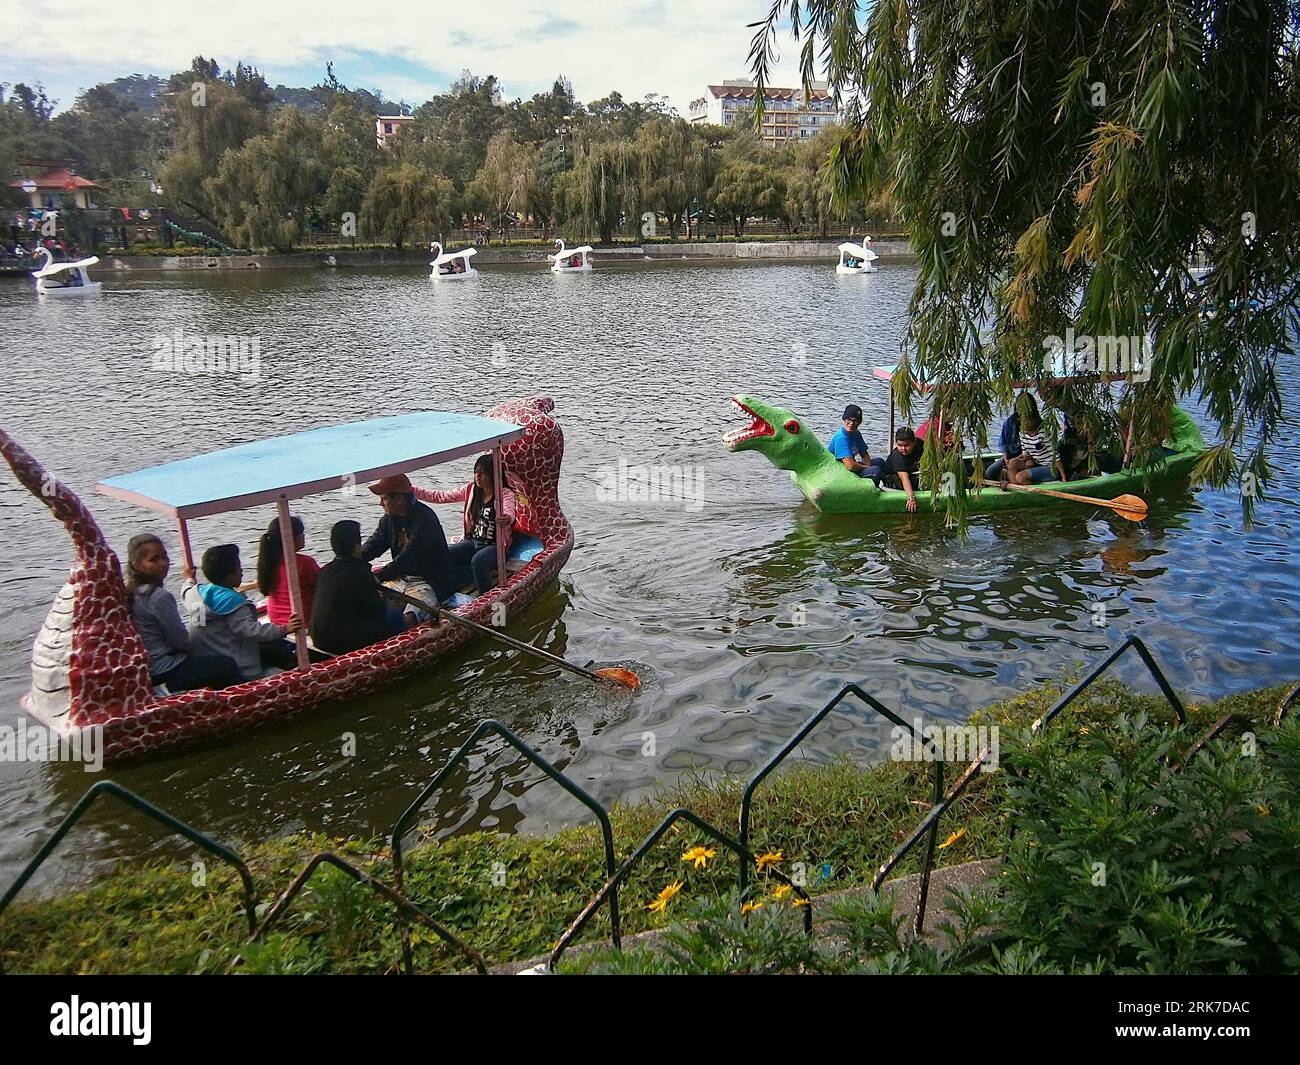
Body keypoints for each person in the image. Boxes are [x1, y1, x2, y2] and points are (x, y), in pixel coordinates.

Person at [124, 534, 240, 692]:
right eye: (154, 560)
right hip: (164, 668)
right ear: (135, 565)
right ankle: (170, 690)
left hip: (147, 666)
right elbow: (179, 641)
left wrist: (189, 579)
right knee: (228, 664)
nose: (163, 563)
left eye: (164, 557)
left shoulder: (131, 591)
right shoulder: (158, 596)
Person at [184, 544, 302, 681]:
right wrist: (285, 628)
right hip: (236, 663)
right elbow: (251, 631)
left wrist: (189, 578)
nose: (241, 572)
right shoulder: (233, 602)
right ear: (228, 575)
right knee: (277, 653)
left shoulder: (194, 594)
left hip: (207, 653)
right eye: (238, 568)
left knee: (273, 649)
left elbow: (186, 588)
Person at [415, 454, 517, 594]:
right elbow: (441, 496)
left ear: (493, 474)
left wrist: (506, 518)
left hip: (495, 547)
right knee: (443, 556)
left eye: (482, 473)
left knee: (478, 561)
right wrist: (412, 491)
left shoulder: (504, 494)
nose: (478, 477)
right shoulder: (470, 490)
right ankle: (449, 587)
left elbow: (509, 510)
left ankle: (485, 596)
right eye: (476, 472)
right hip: (473, 542)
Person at [360, 473, 456, 612]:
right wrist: (353, 559)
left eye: (384, 499)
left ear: (399, 499)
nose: (381, 504)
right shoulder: (388, 519)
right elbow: (374, 545)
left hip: (430, 580)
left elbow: (410, 556)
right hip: (402, 576)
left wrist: (379, 577)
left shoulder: (424, 518)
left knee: (411, 617)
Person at [310, 521, 408, 654]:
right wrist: (389, 602)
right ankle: (400, 653)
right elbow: (378, 610)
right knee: (395, 615)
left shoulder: (325, 571)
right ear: (356, 547)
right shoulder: (360, 573)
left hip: (319, 637)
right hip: (342, 640)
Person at [256, 515, 319, 628]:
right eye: (301, 533)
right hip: (302, 621)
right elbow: (322, 588)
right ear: (291, 538)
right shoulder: (305, 563)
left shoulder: (268, 562)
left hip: (275, 617)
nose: (304, 536)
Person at [866, 427, 924, 510]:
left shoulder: (919, 443)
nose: (903, 449)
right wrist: (911, 498)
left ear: (914, 442)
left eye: (907, 445)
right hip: (891, 477)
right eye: (900, 445)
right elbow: (904, 477)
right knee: (914, 482)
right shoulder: (897, 456)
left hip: (910, 470)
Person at [986, 394, 1035, 480]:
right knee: (990, 472)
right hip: (1010, 456)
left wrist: (1014, 460)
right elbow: (1004, 444)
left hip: (1027, 457)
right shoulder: (1010, 422)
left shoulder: (1033, 422)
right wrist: (1006, 460)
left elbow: (1030, 449)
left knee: (1027, 465)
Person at [1003, 411, 1058, 484]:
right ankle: (1015, 488)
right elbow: (1025, 453)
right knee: (1012, 463)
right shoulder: (1022, 434)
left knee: (1020, 477)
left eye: (1026, 421)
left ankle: (1031, 486)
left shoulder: (1043, 433)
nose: (1023, 423)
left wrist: (1063, 477)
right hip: (1036, 462)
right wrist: (1012, 460)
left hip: (1048, 467)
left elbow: (1056, 456)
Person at [827, 404, 874, 476]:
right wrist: (868, 468)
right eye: (848, 420)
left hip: (849, 466)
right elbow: (850, 466)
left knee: (879, 462)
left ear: (859, 422)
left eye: (855, 421)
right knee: (876, 470)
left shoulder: (857, 433)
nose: (851, 423)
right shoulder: (841, 438)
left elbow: (864, 454)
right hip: (839, 471)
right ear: (844, 420)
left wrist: (868, 466)